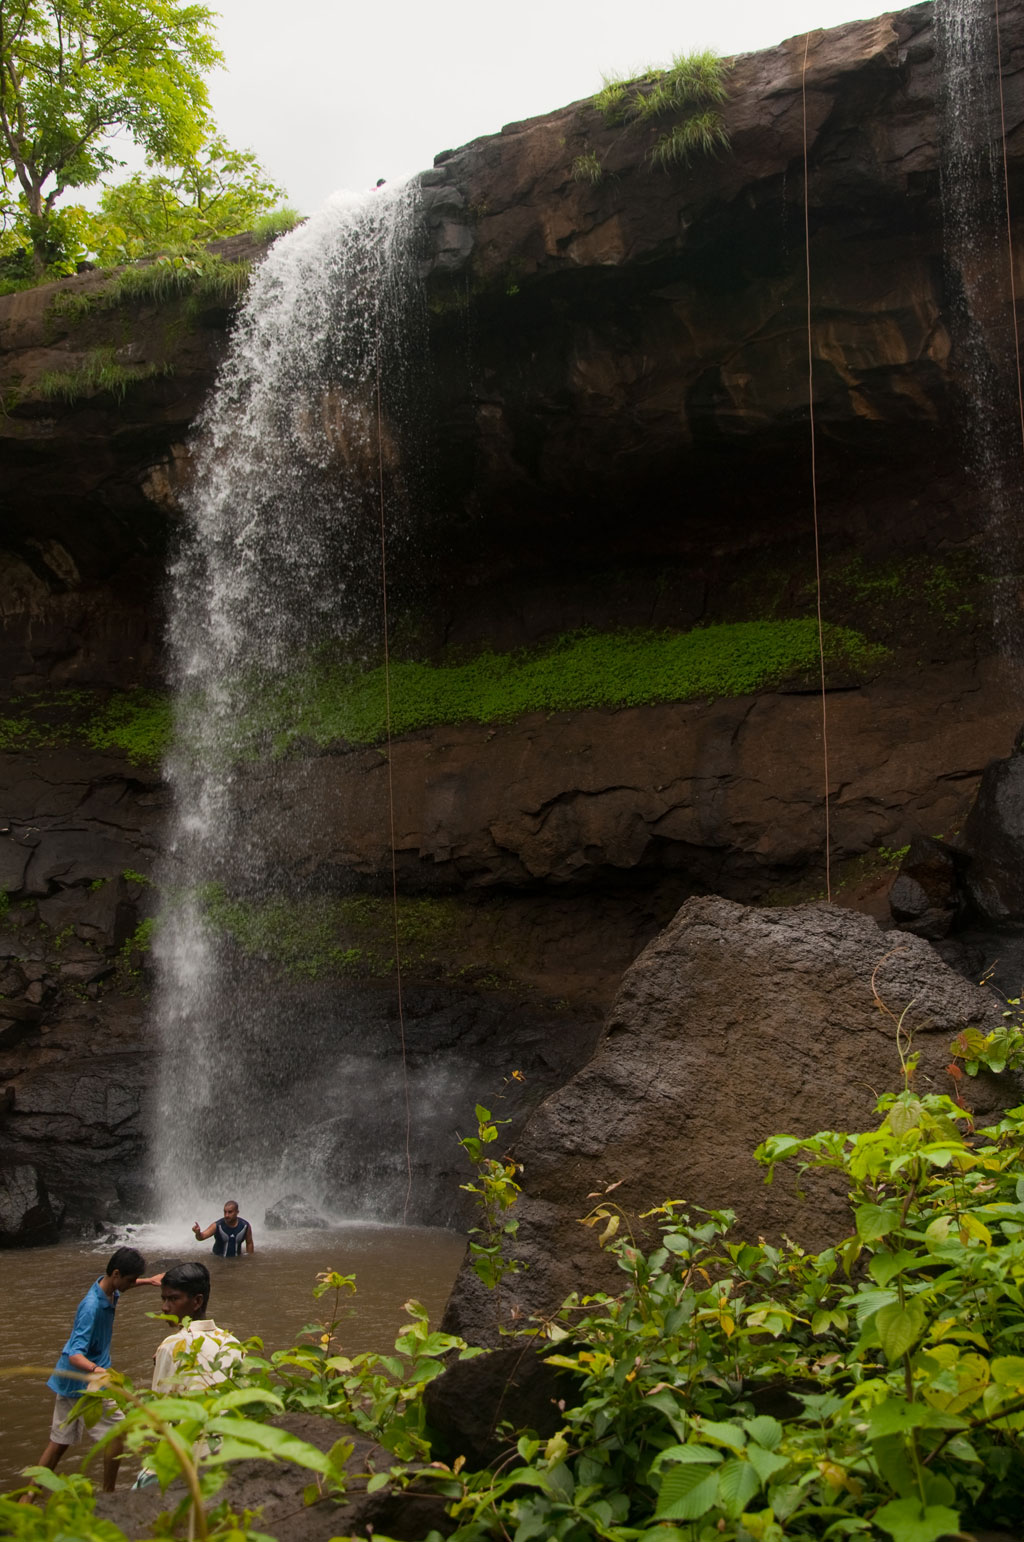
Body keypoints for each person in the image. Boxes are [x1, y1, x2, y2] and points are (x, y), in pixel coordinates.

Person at [31, 1245, 160, 1493]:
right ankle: (109, 1494)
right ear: (116, 1274)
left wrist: (149, 1282)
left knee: (58, 1444)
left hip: (69, 1382)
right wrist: (97, 1369)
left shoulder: (109, 1289)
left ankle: (27, 1497)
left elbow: (127, 1283)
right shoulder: (91, 1306)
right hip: (86, 1381)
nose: (132, 1284)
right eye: (130, 1280)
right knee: (119, 1433)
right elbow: (74, 1355)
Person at [132, 1261, 244, 1490]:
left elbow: (159, 1418)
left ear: (197, 1301)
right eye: (163, 1299)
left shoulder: (170, 1346)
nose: (164, 1307)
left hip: (188, 1461)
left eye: (173, 1299)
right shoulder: (233, 1343)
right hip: (228, 1455)